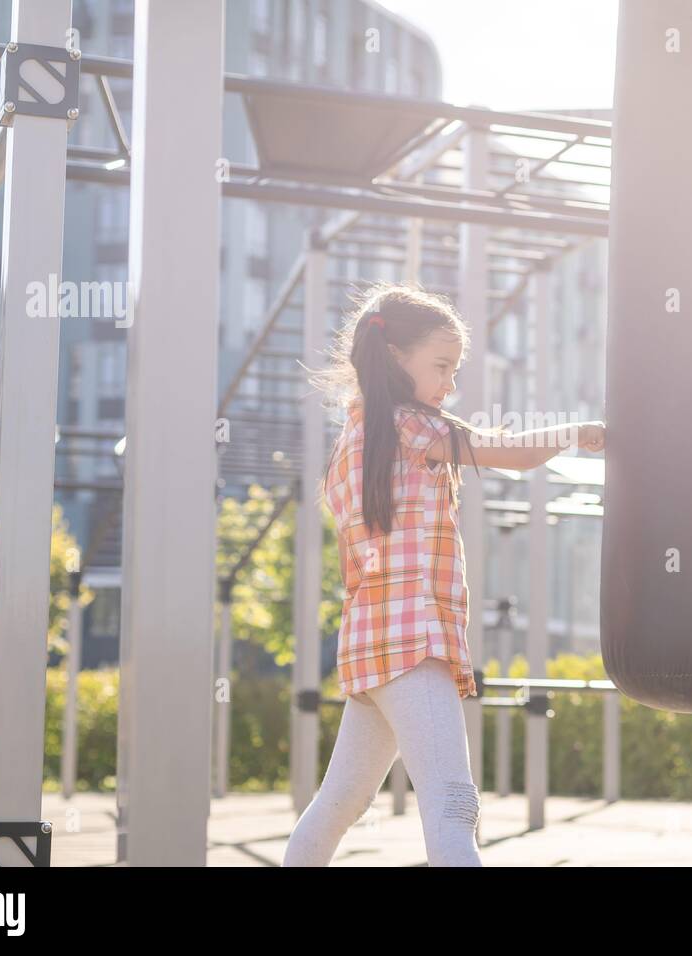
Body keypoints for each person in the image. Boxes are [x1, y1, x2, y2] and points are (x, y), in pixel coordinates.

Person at [282, 282, 605, 866]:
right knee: (453, 802)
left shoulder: (352, 442)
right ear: (395, 358)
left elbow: (349, 567)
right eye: (442, 366)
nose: (451, 382)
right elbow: (508, 452)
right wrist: (574, 433)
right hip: (413, 644)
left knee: (337, 805)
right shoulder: (412, 426)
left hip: (369, 648)